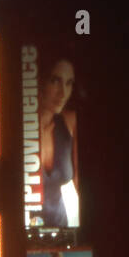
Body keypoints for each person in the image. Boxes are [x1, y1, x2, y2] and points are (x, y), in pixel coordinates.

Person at [38, 57, 79, 228]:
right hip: (19, 230)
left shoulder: (70, 122)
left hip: (61, 229)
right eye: (55, 81)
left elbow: (81, 188)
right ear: (40, 82)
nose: (63, 93)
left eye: (69, 83)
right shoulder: (16, 126)